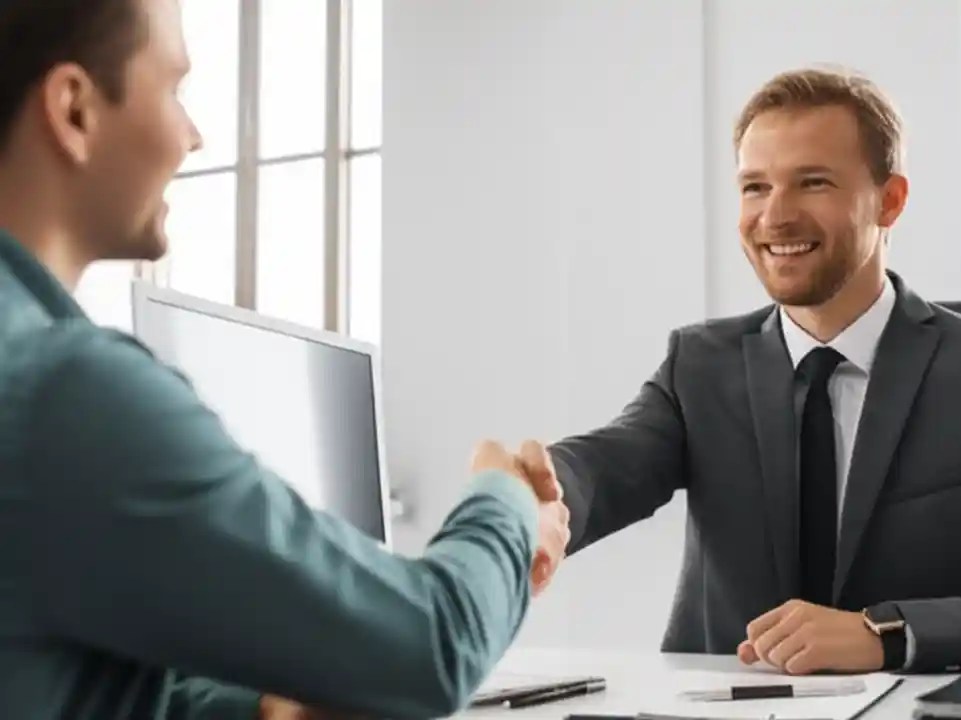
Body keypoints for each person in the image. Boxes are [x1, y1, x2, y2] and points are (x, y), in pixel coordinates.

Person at [0, 1, 570, 718]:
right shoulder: (64, 391)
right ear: (75, 110)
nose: (194, 136)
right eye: (174, 88)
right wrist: (506, 498)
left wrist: (260, 711)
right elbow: (431, 647)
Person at [547, 67, 961, 676]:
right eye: (755, 187)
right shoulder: (700, 366)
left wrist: (886, 634)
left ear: (889, 201)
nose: (775, 216)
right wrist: (532, 495)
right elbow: (605, 467)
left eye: (812, 182)